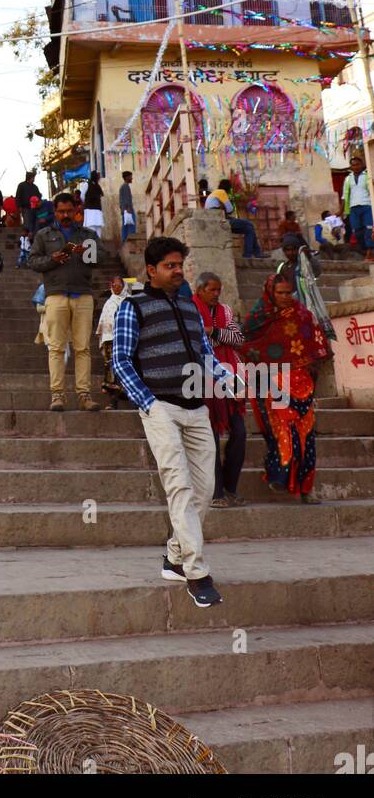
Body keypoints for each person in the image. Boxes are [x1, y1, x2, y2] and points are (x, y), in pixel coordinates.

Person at [112, 236, 237, 608]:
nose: (178, 270)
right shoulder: (131, 307)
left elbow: (204, 349)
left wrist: (225, 376)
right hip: (160, 407)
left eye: (180, 264)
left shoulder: (188, 304)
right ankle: (196, 573)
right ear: (151, 270)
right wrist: (148, 404)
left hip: (197, 406)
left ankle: (174, 556)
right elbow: (121, 360)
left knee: (205, 490)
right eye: (170, 265)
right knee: (179, 486)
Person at [241, 269, 330, 502]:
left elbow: (315, 341)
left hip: (302, 383)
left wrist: (312, 364)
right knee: (283, 433)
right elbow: (247, 344)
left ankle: (306, 489)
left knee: (306, 438)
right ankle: (279, 477)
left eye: (289, 292)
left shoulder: (301, 314)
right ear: (271, 292)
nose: (285, 296)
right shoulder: (258, 317)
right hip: (273, 384)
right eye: (280, 292)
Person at [28, 191, 102, 412]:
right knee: (56, 348)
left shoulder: (87, 235)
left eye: (69, 211)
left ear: (76, 210)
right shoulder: (43, 235)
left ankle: (84, 395)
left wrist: (86, 253)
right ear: (55, 212)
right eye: (61, 211)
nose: (65, 214)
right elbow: (32, 261)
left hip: (83, 295)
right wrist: (53, 259)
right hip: (56, 295)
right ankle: (57, 395)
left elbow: (102, 257)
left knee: (83, 348)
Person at [193, 272, 247, 508]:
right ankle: (216, 493)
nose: (216, 294)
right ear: (200, 290)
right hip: (202, 377)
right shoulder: (190, 310)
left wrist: (214, 332)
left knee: (240, 433)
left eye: (218, 290)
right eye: (212, 290)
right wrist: (213, 337)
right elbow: (195, 339)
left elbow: (238, 339)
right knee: (211, 436)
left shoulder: (225, 311)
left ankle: (231, 487)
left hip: (231, 376)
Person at [277, 232, 336, 341]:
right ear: (284, 251)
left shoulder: (304, 264)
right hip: (289, 305)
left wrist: (308, 257)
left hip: (306, 303)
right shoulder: (282, 268)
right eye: (287, 250)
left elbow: (317, 271)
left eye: (293, 249)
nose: (290, 252)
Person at [205, 178, 262, 259]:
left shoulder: (214, 193)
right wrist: (229, 201)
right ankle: (251, 254)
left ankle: (254, 253)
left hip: (216, 219)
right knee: (249, 225)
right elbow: (230, 209)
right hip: (221, 220)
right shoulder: (222, 192)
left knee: (249, 227)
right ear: (228, 188)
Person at [95, 276, 126, 401]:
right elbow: (104, 321)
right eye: (114, 285)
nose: (117, 288)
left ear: (123, 286)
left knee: (124, 366)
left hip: (124, 339)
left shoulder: (129, 301)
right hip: (110, 339)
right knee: (111, 367)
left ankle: (127, 393)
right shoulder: (109, 302)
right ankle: (112, 399)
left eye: (119, 286)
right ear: (111, 286)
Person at [342, 152, 373, 257]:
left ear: (362, 165)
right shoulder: (348, 179)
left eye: (357, 164)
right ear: (351, 166)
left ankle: (370, 251)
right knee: (358, 231)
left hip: (367, 205)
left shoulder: (368, 175)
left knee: (369, 229)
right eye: (353, 165)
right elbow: (344, 196)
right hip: (353, 208)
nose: (355, 167)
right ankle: (365, 249)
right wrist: (341, 210)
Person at [83, 171, 104, 237]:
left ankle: (98, 245)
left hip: (97, 210)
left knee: (98, 229)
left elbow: (100, 195)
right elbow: (82, 195)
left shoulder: (97, 185)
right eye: (98, 176)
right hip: (90, 211)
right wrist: (87, 202)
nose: (99, 177)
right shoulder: (87, 184)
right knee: (91, 229)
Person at [119, 171, 136, 243]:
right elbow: (126, 199)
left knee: (125, 225)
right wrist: (128, 208)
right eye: (130, 177)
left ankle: (124, 241)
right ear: (127, 178)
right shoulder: (125, 186)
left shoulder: (123, 186)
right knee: (131, 225)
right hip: (128, 210)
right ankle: (131, 240)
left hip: (124, 210)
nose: (132, 178)